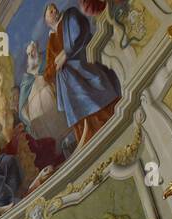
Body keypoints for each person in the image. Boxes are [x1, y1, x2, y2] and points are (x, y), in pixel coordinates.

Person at [43, 1, 121, 155]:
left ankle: (102, 119)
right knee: (66, 77)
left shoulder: (70, 15)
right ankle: (87, 130)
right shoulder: (51, 41)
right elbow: (49, 69)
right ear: (46, 21)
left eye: (54, 8)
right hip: (67, 76)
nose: (54, 11)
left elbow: (81, 32)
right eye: (50, 11)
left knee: (70, 76)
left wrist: (66, 53)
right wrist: (55, 66)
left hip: (82, 60)